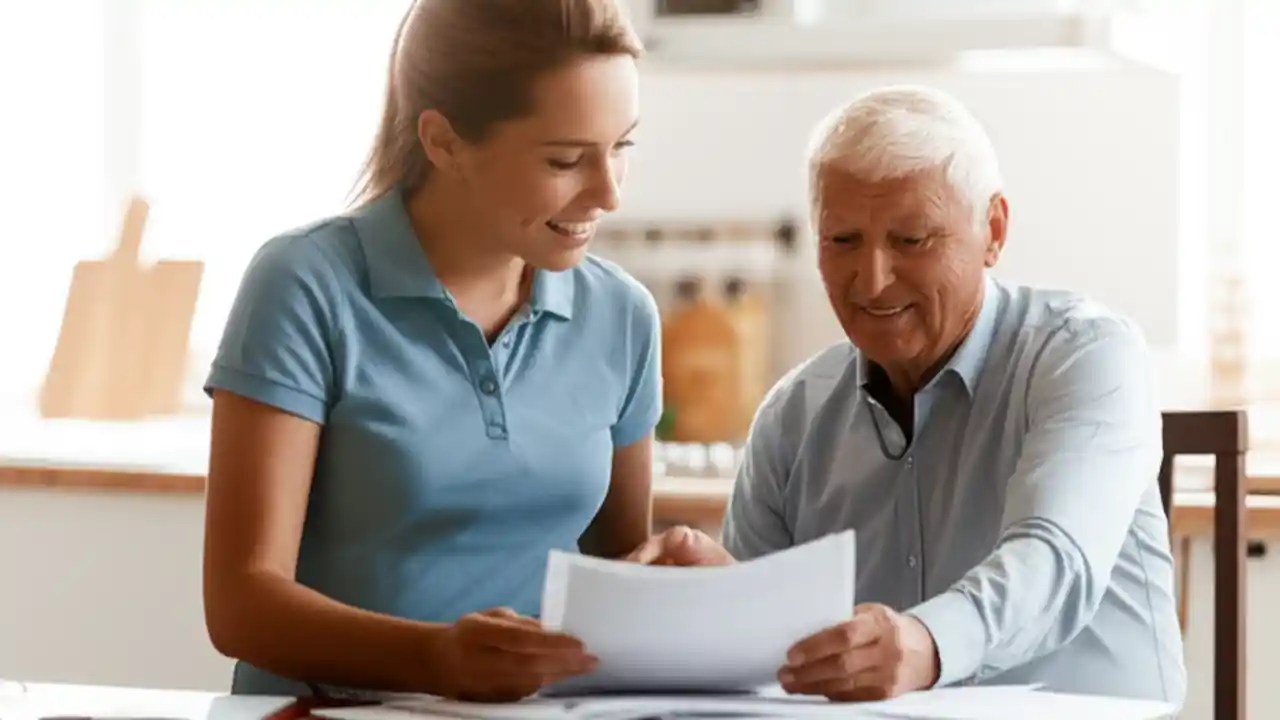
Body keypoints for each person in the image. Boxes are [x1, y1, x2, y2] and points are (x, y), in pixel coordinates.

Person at [628, 86, 1186, 707]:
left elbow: (1053, 561)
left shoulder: (1086, 354)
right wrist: (715, 605)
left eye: (912, 240)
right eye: (842, 241)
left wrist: (925, 643)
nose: (872, 279)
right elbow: (755, 671)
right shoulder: (793, 415)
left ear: (993, 230)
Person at [202, 0, 657, 702]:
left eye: (622, 147)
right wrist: (436, 659)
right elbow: (242, 604)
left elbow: (618, 572)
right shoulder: (306, 285)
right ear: (443, 143)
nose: (609, 193)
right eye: (566, 159)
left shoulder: (621, 314)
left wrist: (682, 586)